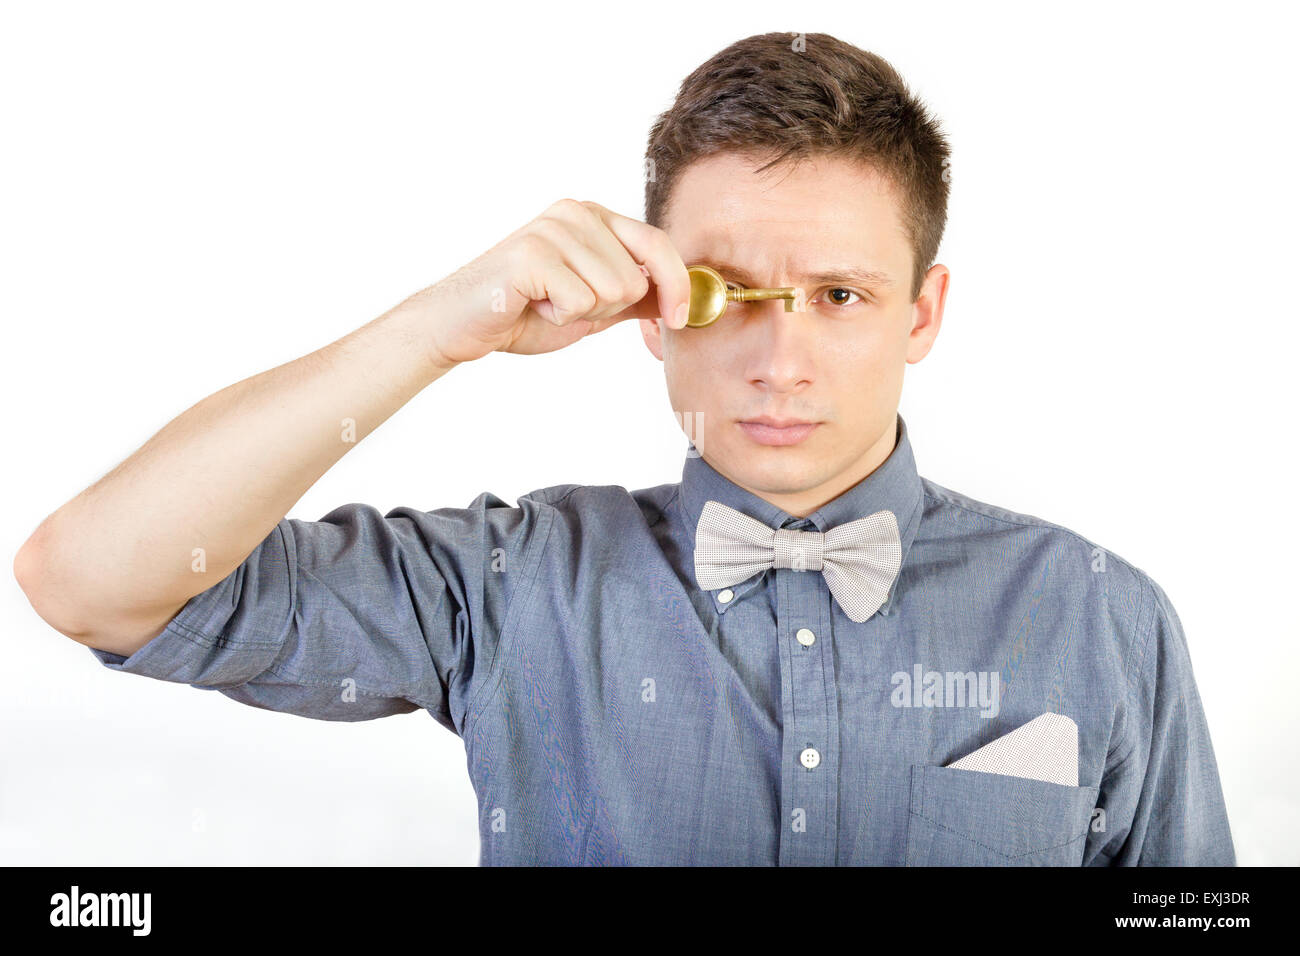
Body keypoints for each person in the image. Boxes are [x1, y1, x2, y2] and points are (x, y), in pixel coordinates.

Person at [13, 32, 1233, 866]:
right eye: (728, 292)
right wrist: (444, 324)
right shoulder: (511, 578)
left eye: (841, 296)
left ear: (923, 312)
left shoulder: (1102, 614)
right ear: (651, 307)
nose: (780, 359)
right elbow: (87, 580)